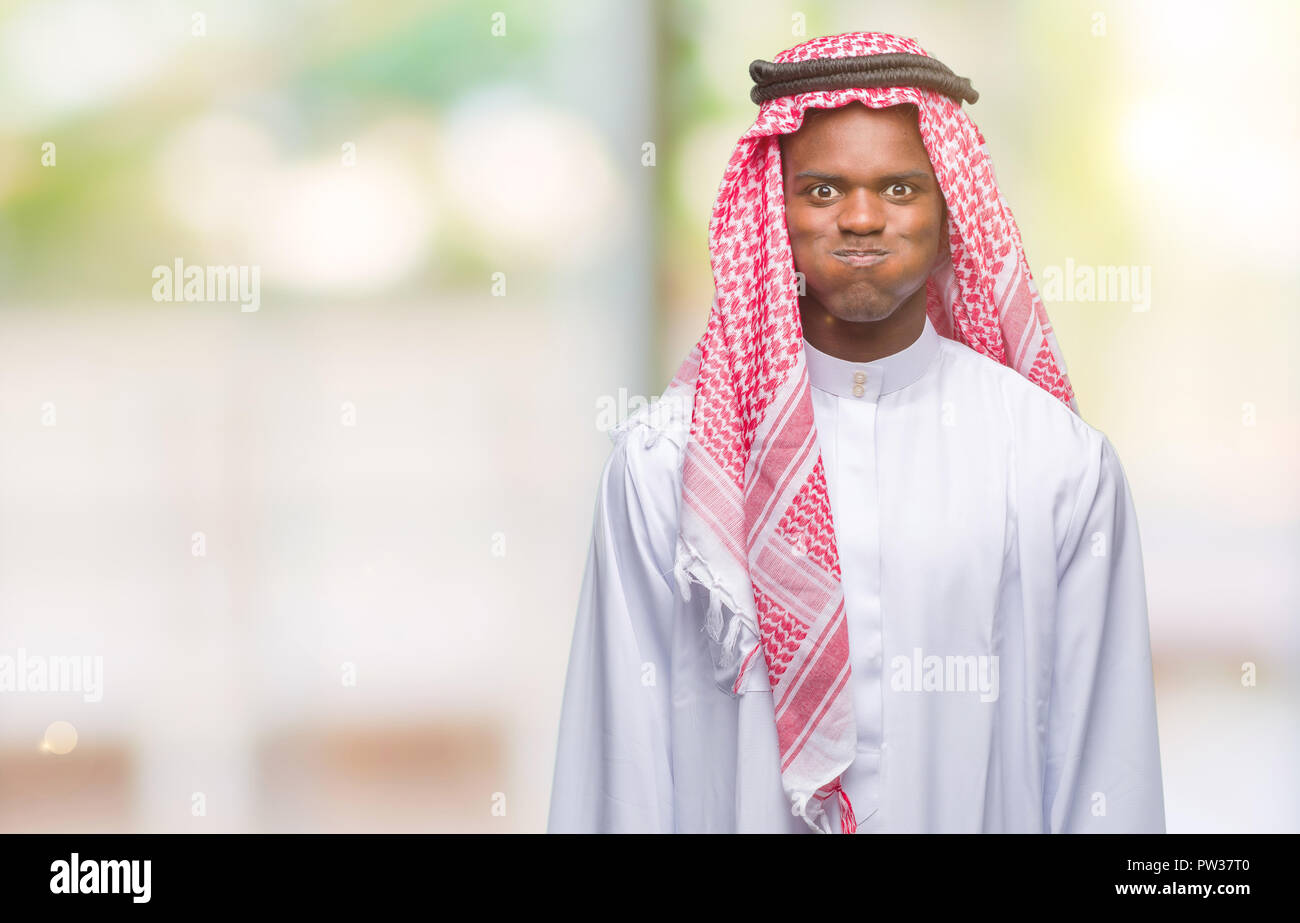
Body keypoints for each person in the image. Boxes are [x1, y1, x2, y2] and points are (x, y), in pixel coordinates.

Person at [546, 31, 1165, 834]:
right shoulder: (668, 464)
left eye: (901, 188)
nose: (864, 219)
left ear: (949, 213)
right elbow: (616, 771)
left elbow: (1105, 772)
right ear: (774, 214)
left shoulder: (1055, 462)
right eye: (825, 191)